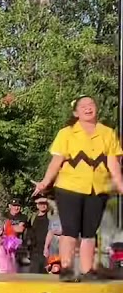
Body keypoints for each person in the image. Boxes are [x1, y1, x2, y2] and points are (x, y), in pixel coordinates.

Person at [34, 95, 123, 281]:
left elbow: (113, 163)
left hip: (97, 189)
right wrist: (45, 181)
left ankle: (87, 270)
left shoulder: (107, 133)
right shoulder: (66, 133)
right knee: (71, 229)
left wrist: (120, 185)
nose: (88, 108)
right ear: (76, 112)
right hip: (69, 188)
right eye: (83, 106)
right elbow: (56, 162)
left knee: (90, 231)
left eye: (91, 104)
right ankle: (66, 269)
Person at [27, 196, 52, 273]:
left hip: (48, 249)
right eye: (40, 204)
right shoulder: (33, 217)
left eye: (44, 203)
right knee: (34, 273)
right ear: (37, 205)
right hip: (35, 250)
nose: (42, 205)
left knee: (47, 273)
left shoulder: (51, 215)